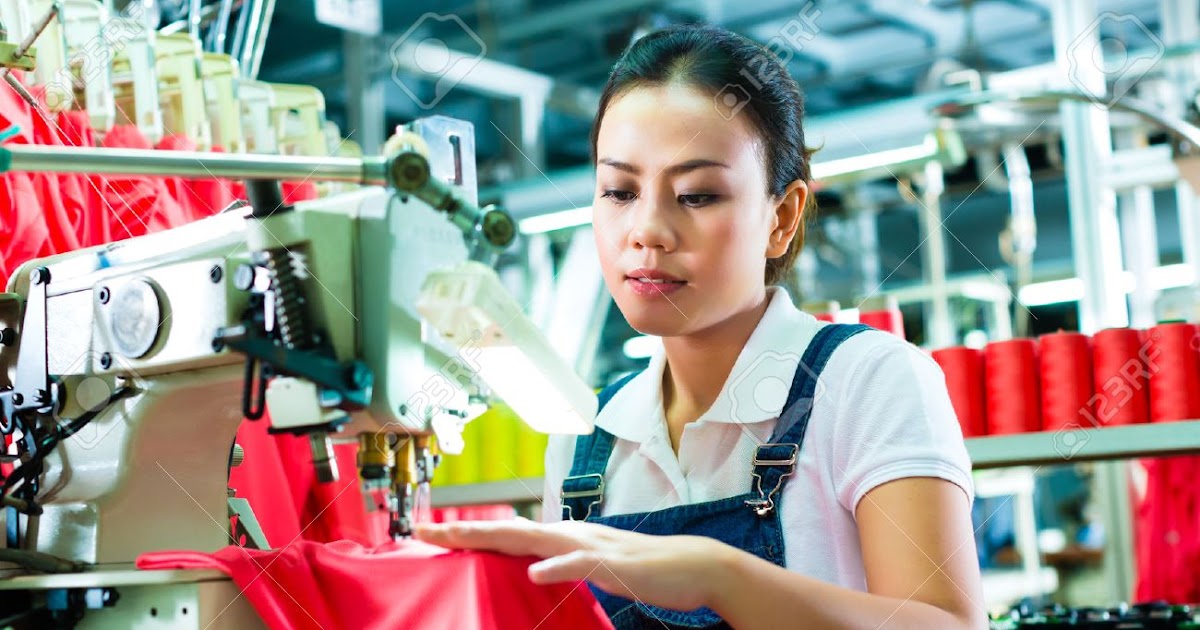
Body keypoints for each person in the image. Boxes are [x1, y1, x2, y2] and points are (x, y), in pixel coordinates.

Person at [417, 23, 985, 630]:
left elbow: (948, 624)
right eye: (618, 191)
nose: (647, 230)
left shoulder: (864, 381)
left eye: (696, 194)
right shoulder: (590, 439)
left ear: (782, 217)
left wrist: (722, 577)